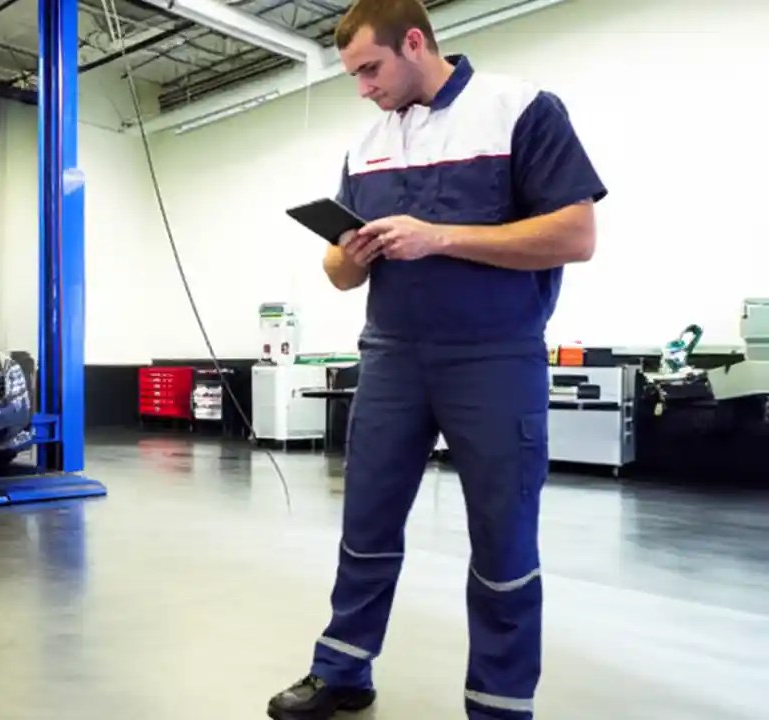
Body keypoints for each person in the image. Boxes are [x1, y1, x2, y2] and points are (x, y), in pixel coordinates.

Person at [266, 1, 606, 719]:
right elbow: (337, 273)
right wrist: (348, 254)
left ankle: (500, 702)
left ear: (414, 41)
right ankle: (344, 671)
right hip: (391, 355)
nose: (362, 87)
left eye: (369, 69)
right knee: (366, 522)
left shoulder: (519, 109)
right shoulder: (368, 144)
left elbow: (576, 235)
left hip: (494, 356)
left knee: (502, 535)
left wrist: (440, 238)